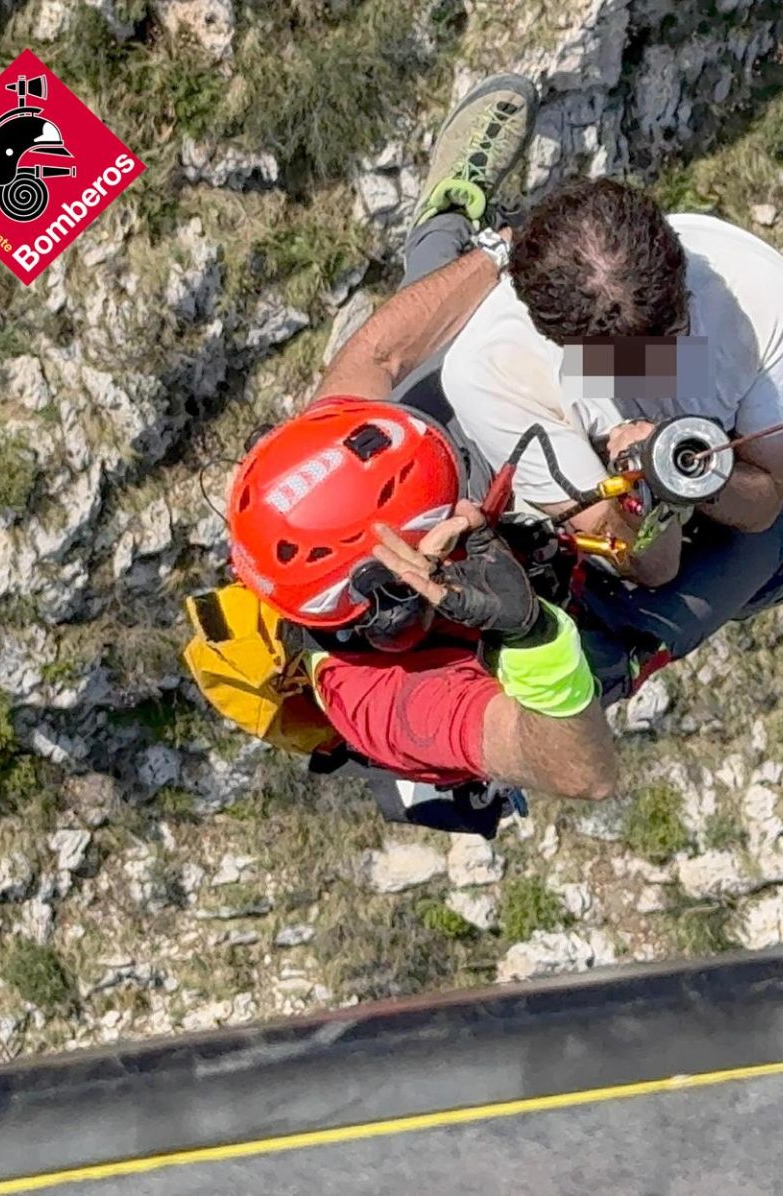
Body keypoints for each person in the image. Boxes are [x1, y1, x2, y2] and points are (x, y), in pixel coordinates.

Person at [226, 75, 620, 837]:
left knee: (437, 332)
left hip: (430, 520)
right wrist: (533, 638)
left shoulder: (309, 493)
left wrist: (502, 253)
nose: (467, 499)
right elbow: (585, 775)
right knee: (693, 588)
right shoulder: (399, 706)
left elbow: (377, 353)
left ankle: (449, 211)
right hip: (521, 625)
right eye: (450, 509)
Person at [438, 178, 783, 697]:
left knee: (769, 529)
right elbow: (655, 567)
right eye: (624, 366)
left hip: (685, 477)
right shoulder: (492, 371)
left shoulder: (765, 297)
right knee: (717, 579)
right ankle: (781, 567)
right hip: (548, 524)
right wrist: (644, 491)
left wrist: (693, 473)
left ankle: (779, 560)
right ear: (554, 338)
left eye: (675, 335)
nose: (658, 372)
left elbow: (764, 497)